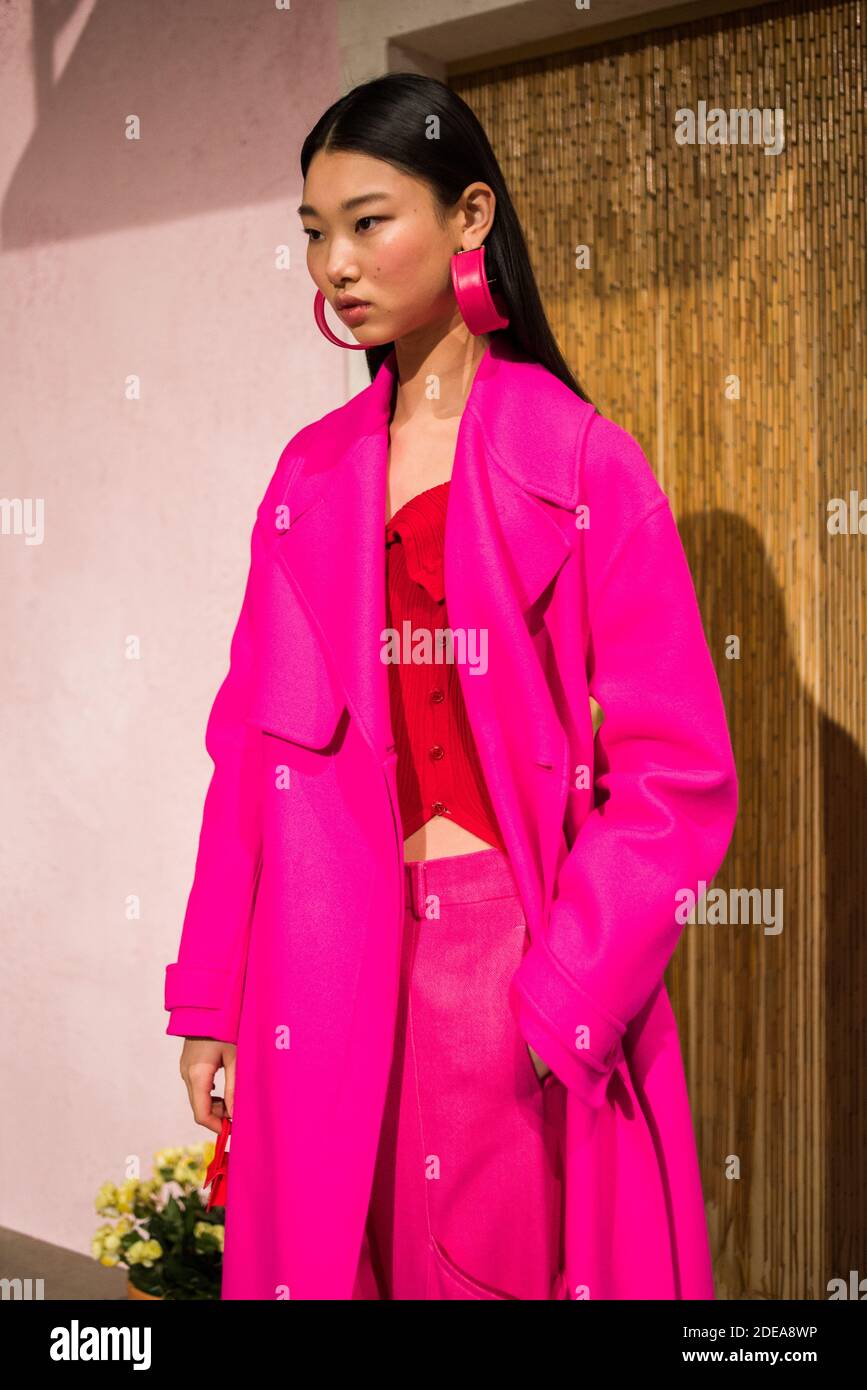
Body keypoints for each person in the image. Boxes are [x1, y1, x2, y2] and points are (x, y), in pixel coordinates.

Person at [165, 73, 738, 1300]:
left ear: (471, 216)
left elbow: (677, 774)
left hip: (510, 962)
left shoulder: (581, 457)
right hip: (315, 972)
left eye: (369, 221)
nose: (334, 263)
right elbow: (246, 760)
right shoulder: (306, 477)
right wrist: (212, 990)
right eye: (314, 232)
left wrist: (565, 991)